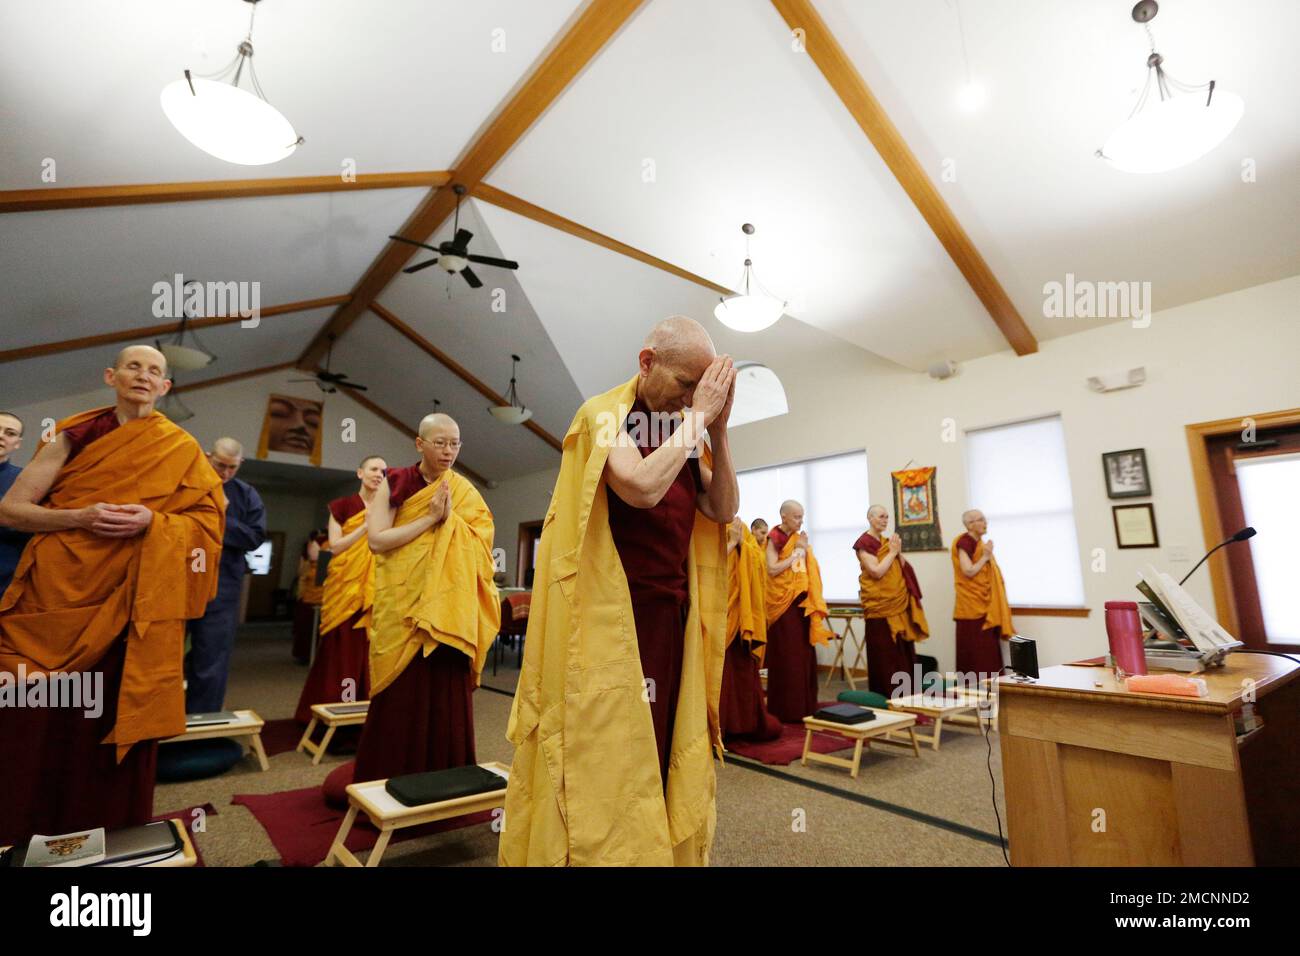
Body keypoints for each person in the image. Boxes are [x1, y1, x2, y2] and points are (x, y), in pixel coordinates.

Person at [500, 315, 738, 867]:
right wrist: (699, 417)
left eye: (700, 389)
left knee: (659, 746)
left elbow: (723, 508)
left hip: (672, 618)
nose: (689, 398)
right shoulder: (602, 416)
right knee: (609, 750)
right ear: (647, 361)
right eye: (684, 384)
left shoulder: (685, 429)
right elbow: (640, 487)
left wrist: (718, 430)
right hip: (612, 618)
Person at [0, 346, 224, 845]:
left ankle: (106, 829)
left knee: (106, 712)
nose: (144, 376)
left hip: (131, 605)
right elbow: (12, 510)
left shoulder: (181, 447)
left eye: (155, 372)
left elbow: (208, 524)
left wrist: (157, 523)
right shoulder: (73, 435)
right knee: (34, 711)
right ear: (111, 376)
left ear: (166, 387)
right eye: (133, 366)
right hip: (56, 598)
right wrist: (76, 517)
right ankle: (20, 827)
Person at [339, 416, 497, 790]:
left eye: (455, 444)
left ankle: (447, 780)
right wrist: (430, 519)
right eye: (440, 443)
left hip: (450, 610)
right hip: (404, 603)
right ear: (419, 443)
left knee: (445, 697)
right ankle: (388, 777)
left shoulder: (464, 490)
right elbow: (378, 541)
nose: (448, 452)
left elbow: (482, 545)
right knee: (402, 693)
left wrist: (450, 523)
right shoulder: (396, 482)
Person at [293, 456, 386, 724]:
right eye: (373, 469)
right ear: (360, 472)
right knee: (341, 649)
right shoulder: (342, 507)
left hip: (374, 587)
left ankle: (364, 721)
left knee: (370, 653)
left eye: (383, 471)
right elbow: (335, 547)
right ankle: (330, 716)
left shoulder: (389, 508)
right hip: (345, 587)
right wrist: (367, 527)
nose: (379, 474)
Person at [185, 437, 266, 714]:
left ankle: (203, 722)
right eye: (220, 465)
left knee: (212, 659)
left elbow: (255, 537)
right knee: (163, 655)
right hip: (180, 580)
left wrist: (222, 514)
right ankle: (159, 722)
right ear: (208, 456)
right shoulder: (185, 484)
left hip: (223, 585)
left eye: (233, 467)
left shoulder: (246, 494)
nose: (225, 473)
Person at [764, 500, 833, 722]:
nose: (801, 521)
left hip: (800, 604)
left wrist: (800, 552)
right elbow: (772, 569)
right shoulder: (774, 538)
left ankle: (805, 705)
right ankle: (785, 709)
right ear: (784, 516)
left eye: (802, 517)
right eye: (796, 517)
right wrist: (797, 553)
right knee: (787, 656)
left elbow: (798, 573)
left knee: (802, 655)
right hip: (781, 607)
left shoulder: (797, 541)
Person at [854, 505, 929, 696]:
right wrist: (893, 553)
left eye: (887, 517)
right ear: (870, 518)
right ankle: (887, 695)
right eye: (880, 516)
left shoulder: (887, 542)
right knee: (885, 656)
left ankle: (908, 695)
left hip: (898, 605)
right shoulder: (864, 543)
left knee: (902, 653)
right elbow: (877, 572)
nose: (885, 520)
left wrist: (897, 553)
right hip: (880, 607)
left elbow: (903, 568)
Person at [719, 517, 780, 742]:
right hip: (715, 607)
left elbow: (758, 564)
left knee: (742, 669)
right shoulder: (701, 524)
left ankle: (746, 723)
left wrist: (742, 545)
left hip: (740, 609)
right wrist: (733, 543)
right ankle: (720, 725)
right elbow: (701, 567)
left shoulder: (740, 527)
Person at [951, 509, 1013, 677]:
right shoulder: (964, 542)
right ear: (970, 524)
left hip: (986, 605)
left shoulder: (979, 543)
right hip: (971, 607)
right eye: (981, 520)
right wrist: (985, 557)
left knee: (989, 655)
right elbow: (968, 571)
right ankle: (975, 693)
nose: (985, 523)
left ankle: (996, 693)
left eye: (984, 519)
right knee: (976, 657)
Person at [0, 411, 30, 597]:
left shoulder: (26, 480)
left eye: (10, 433)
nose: (1, 436)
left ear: (17, 443)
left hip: (6, 588)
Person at [290, 530, 328, 664]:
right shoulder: (315, 548)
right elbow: (302, 571)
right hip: (308, 595)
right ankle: (304, 655)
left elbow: (323, 576)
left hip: (321, 595)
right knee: (305, 627)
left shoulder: (326, 548)